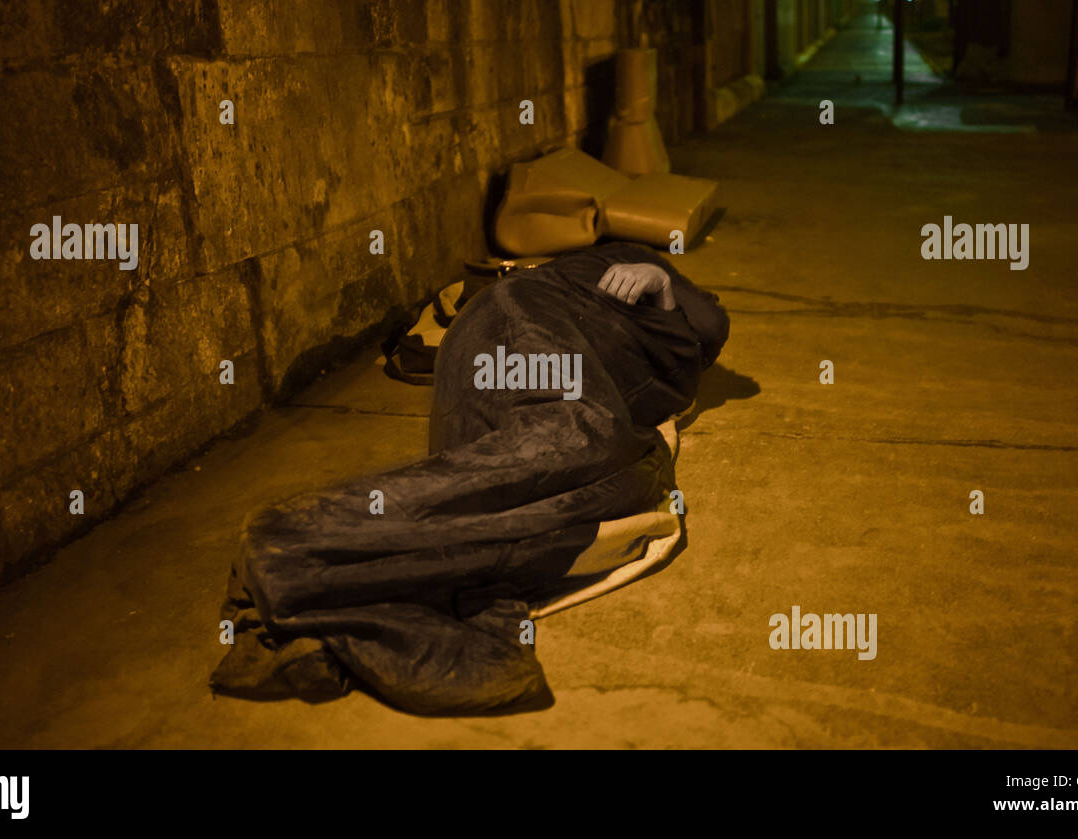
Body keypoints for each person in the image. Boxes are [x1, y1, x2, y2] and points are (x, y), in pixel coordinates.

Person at [212, 242, 729, 715]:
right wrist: (662, 287)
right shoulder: (637, 271)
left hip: (487, 347)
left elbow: (673, 364)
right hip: (526, 321)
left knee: (581, 485)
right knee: (579, 443)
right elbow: (704, 327)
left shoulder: (630, 309)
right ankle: (290, 536)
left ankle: (322, 564)